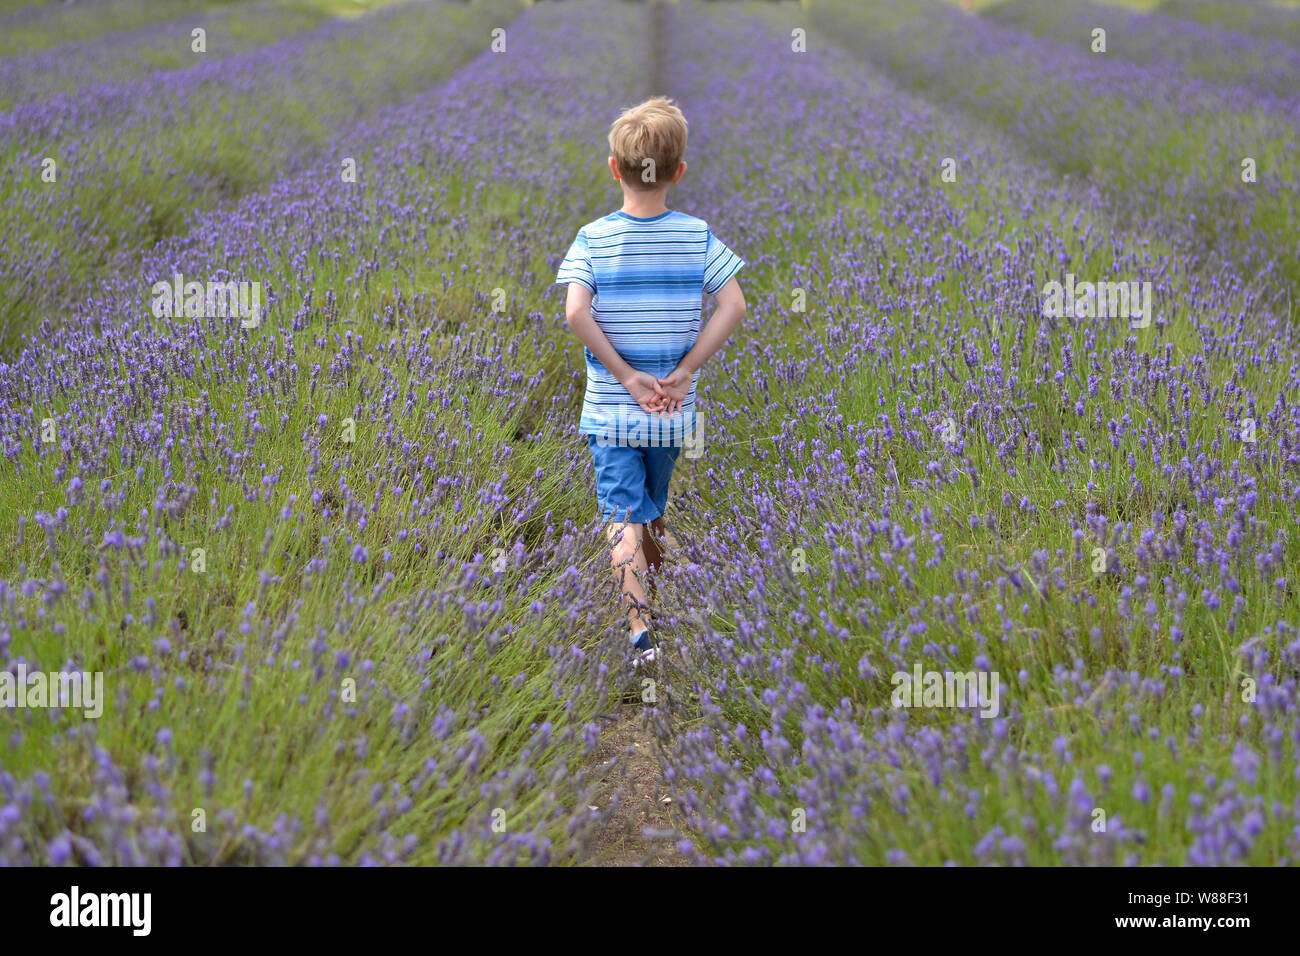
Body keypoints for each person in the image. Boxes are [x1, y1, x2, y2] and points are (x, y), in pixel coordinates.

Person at [555, 96, 747, 665]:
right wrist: (686, 371)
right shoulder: (696, 236)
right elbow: (733, 305)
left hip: (614, 409)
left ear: (614, 168)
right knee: (653, 510)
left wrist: (624, 375)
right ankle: (649, 605)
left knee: (623, 516)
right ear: (679, 172)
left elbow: (574, 313)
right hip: (672, 414)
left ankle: (639, 632)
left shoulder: (593, 238)